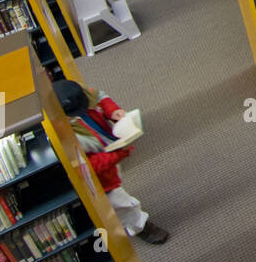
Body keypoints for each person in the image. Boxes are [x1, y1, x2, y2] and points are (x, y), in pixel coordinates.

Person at [51, 78, 170, 245]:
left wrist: (112, 111)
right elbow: (87, 166)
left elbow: (100, 97)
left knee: (117, 184)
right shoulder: (66, 138)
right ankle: (140, 227)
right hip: (96, 176)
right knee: (120, 202)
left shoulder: (82, 93)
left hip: (108, 150)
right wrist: (116, 155)